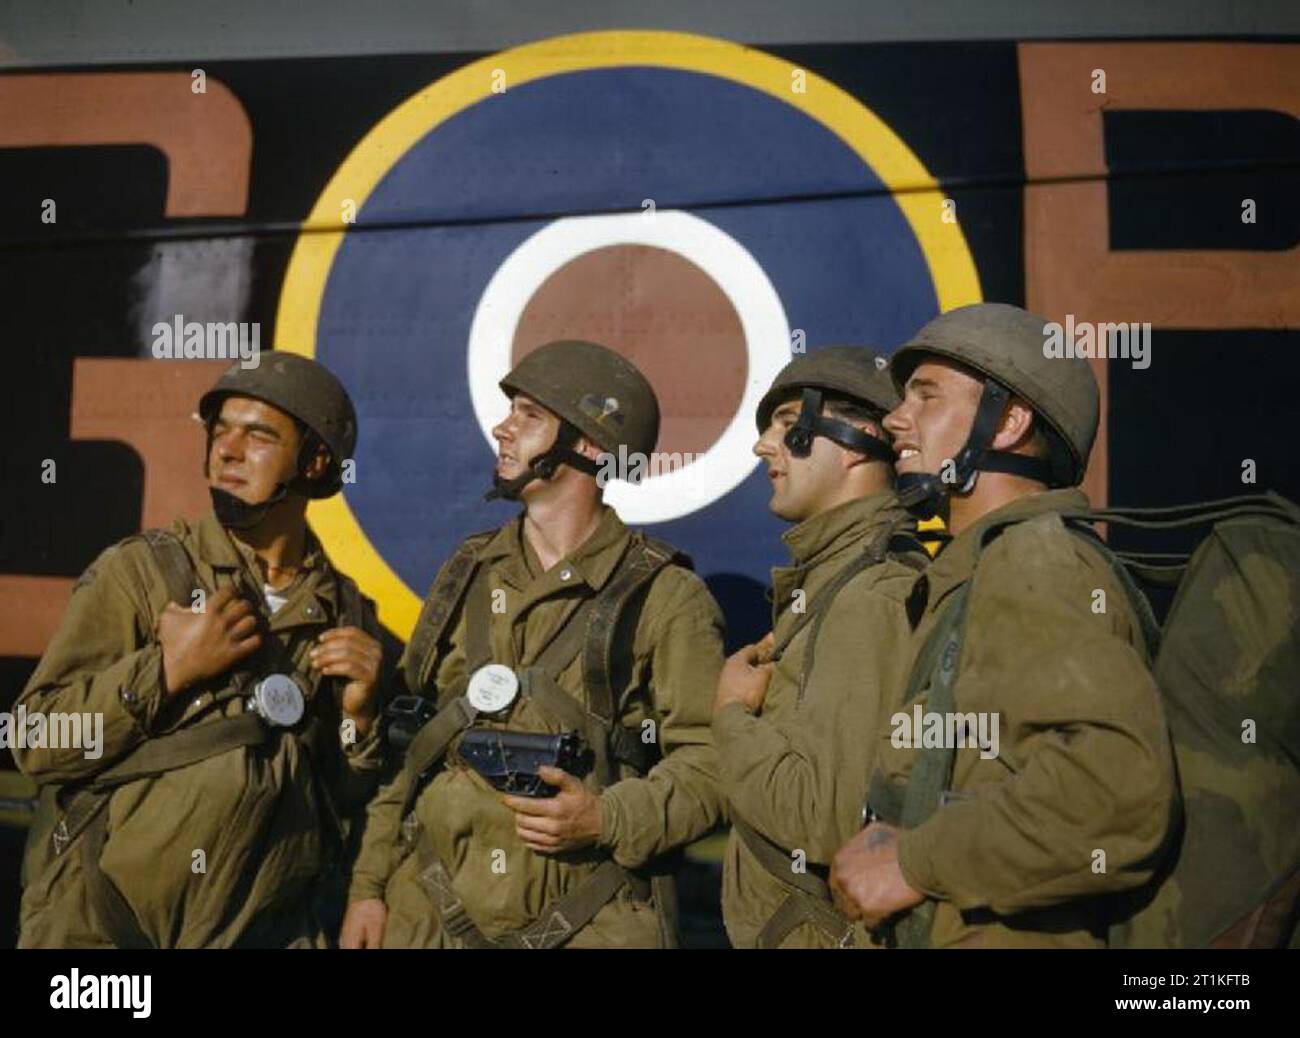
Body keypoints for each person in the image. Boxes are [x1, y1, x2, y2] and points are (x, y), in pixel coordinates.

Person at [341, 340, 725, 949]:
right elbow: (408, 743)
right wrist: (368, 887)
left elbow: (711, 766)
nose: (502, 428)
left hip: (587, 918)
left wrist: (607, 819)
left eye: (529, 415)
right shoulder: (467, 571)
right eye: (510, 411)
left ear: (590, 446)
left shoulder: (667, 596)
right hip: (430, 913)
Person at [829, 303, 1178, 948]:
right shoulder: (983, 567)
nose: (894, 419)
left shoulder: (1032, 560)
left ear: (1009, 421)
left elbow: (1114, 793)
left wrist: (914, 861)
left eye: (926, 397)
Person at [14, 352, 387, 948]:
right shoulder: (141, 572)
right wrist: (163, 672)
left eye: (259, 435)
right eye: (220, 431)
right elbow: (36, 741)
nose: (227, 451)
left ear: (316, 462)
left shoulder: (346, 614)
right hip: (103, 936)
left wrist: (359, 720)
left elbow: (343, 800)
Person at [711, 347, 925, 948]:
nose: (762, 447)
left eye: (785, 424)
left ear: (856, 440)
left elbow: (825, 823)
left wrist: (730, 715)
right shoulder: (838, 580)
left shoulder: (871, 595)